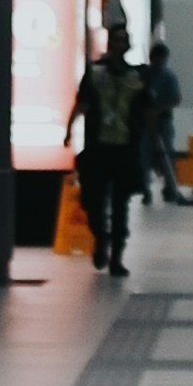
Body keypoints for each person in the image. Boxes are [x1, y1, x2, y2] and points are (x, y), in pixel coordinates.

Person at [66, 26, 151, 280]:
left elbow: (146, 111)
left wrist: (149, 141)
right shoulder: (95, 73)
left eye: (123, 40)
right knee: (93, 201)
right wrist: (69, 130)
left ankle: (116, 257)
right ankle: (100, 238)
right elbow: (82, 103)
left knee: (120, 204)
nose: (119, 44)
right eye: (115, 40)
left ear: (128, 45)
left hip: (124, 149)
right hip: (98, 148)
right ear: (109, 44)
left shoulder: (137, 77)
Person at [143, 31, 185, 204]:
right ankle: (145, 189)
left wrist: (160, 109)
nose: (159, 63)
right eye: (157, 59)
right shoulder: (144, 75)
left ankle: (170, 187)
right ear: (152, 58)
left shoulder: (169, 76)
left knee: (166, 153)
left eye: (162, 60)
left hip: (163, 121)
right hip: (145, 122)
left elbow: (176, 99)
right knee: (144, 155)